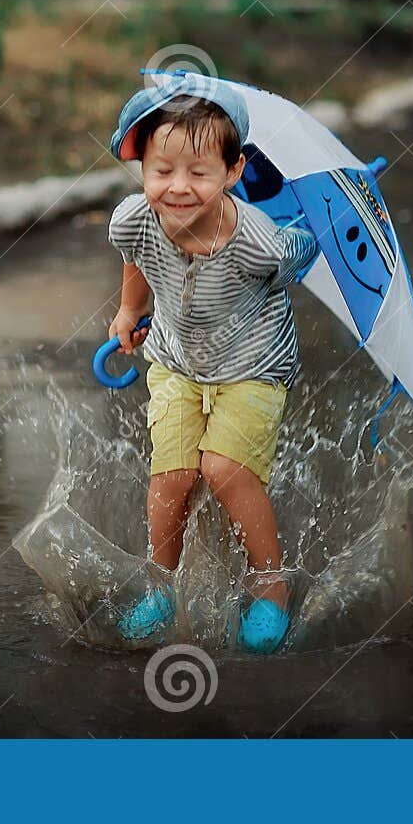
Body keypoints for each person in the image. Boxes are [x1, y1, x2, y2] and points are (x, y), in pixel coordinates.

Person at [105, 75, 317, 654]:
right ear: (141, 166)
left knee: (223, 469)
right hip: (178, 358)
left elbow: (292, 260)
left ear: (232, 171)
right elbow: (137, 259)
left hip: (253, 361)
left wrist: (306, 237)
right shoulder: (133, 219)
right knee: (172, 474)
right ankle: (161, 587)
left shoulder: (257, 243)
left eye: (199, 173)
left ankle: (270, 587)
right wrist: (130, 309)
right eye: (162, 171)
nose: (178, 188)